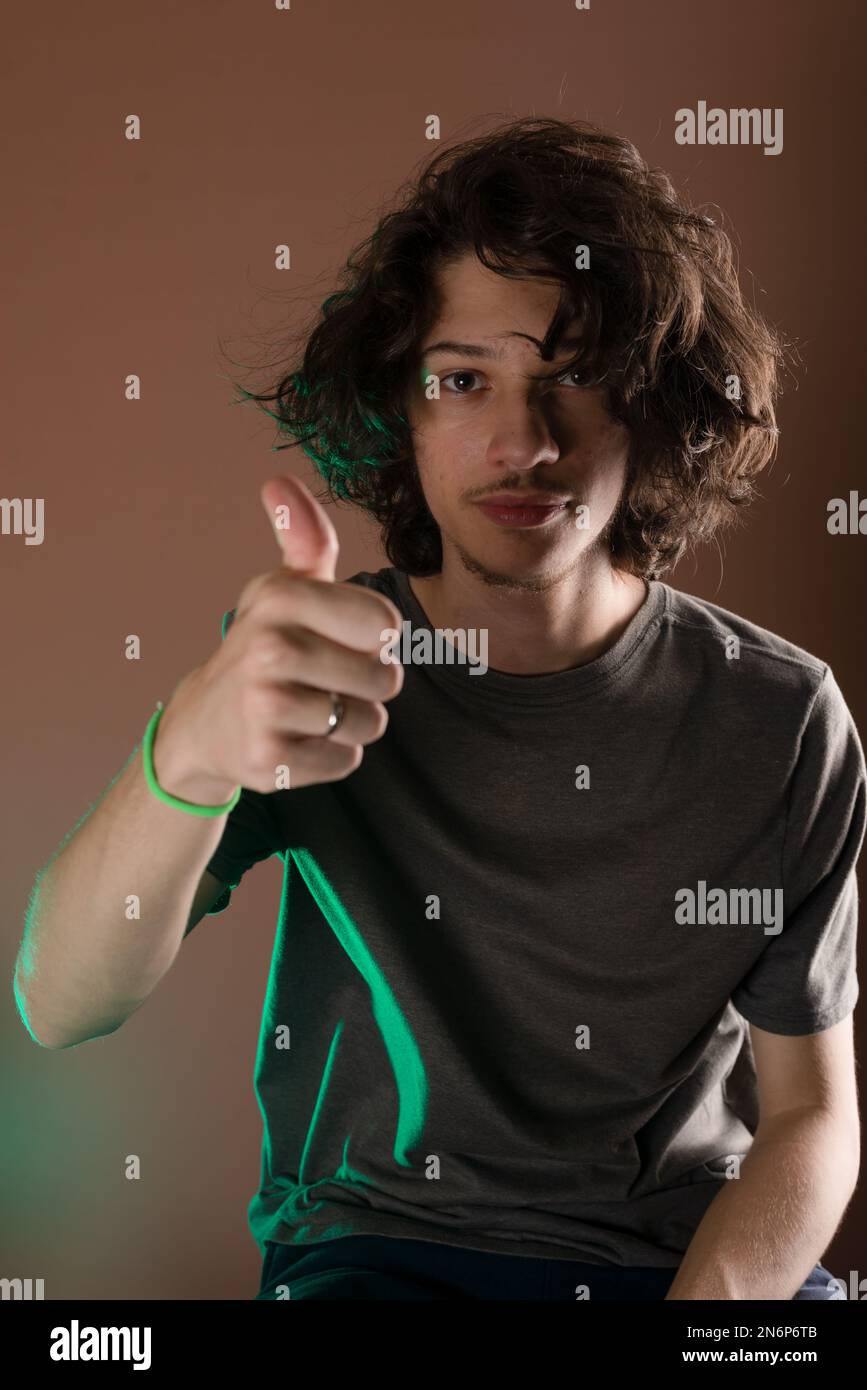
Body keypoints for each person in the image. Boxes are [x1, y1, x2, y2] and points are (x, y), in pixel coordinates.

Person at [16, 118, 863, 1302]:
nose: (524, 441)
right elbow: (57, 1002)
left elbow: (814, 1114)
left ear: (653, 405)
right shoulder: (304, 662)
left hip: (680, 1267)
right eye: (463, 380)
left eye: (574, 376)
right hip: (375, 1253)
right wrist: (194, 749)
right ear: (399, 414)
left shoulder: (780, 717)